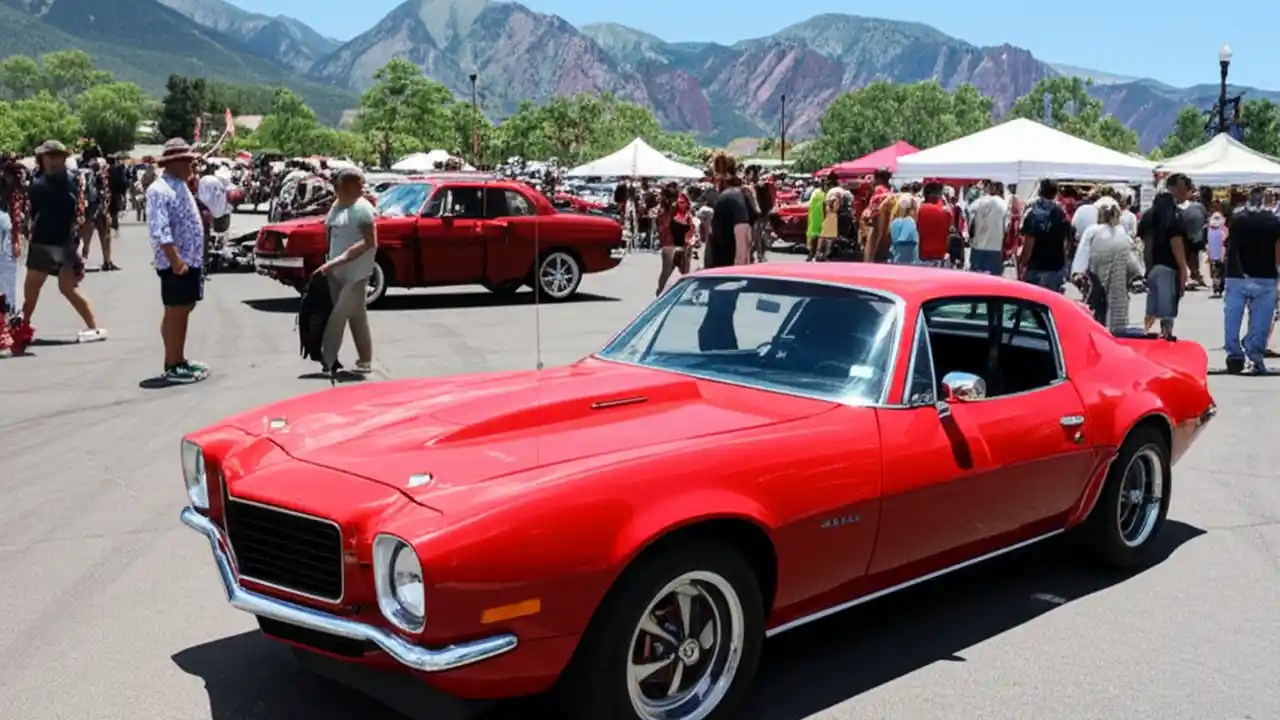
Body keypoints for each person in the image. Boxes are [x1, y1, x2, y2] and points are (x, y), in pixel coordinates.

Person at [21, 140, 106, 346]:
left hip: (60, 243)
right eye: (48, 157)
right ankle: (23, 326)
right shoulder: (45, 182)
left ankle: (93, 327)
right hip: (47, 242)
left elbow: (76, 214)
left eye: (56, 157)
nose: (52, 161)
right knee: (36, 288)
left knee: (62, 287)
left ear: (63, 158)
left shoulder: (65, 183)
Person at [146, 138, 208, 384]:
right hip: (178, 263)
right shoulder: (159, 190)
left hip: (190, 260)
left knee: (182, 309)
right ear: (174, 163)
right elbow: (160, 229)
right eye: (188, 161)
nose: (192, 164)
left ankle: (177, 358)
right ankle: (173, 363)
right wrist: (175, 260)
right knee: (178, 312)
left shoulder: (181, 185)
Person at [316, 167, 376, 375]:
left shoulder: (363, 209)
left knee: (338, 314)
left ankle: (328, 359)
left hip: (356, 274)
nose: (363, 188)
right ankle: (365, 359)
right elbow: (330, 233)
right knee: (357, 316)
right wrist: (329, 260)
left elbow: (369, 242)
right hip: (336, 271)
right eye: (359, 184)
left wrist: (338, 260)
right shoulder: (337, 206)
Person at [1221, 187, 1280, 375]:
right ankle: (1255, 355)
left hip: (1236, 275)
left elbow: (1230, 245)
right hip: (1265, 275)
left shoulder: (1237, 219)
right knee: (1261, 321)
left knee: (1232, 316)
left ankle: (1234, 354)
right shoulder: (1274, 222)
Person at [1137, 173, 1194, 339]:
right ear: (1174, 190)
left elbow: (1145, 243)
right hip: (1168, 266)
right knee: (1167, 310)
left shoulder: (1149, 215)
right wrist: (1183, 269)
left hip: (1153, 267)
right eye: (1183, 189)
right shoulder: (1174, 216)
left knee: (1152, 308)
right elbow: (1176, 242)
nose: (1186, 193)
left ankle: (1145, 333)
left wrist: (1147, 267)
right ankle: (1166, 336)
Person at [1084, 202, 1143, 333]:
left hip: (1096, 276)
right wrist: (1137, 276)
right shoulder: (1122, 235)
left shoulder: (1094, 232)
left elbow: (1085, 253)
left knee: (1097, 307)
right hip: (1118, 278)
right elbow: (1132, 261)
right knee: (1117, 308)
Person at [1019, 179, 1072, 293]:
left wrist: (1021, 264)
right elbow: (1067, 243)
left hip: (1036, 267)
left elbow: (1028, 245)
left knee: (1032, 304)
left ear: (1039, 191)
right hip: (1056, 267)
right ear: (1056, 192)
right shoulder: (1061, 213)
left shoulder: (1033, 213)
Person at [707, 153, 752, 268]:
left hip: (725, 271)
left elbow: (742, 232)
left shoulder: (731, 196)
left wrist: (738, 269)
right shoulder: (738, 195)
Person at [968, 180, 1008, 275]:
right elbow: (1006, 229)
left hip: (977, 248)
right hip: (995, 249)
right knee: (992, 283)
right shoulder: (1003, 204)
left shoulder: (978, 202)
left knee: (975, 281)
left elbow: (970, 225)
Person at [657, 193, 693, 295]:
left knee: (685, 273)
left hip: (683, 245)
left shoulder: (687, 215)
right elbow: (662, 227)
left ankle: (682, 293)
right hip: (671, 246)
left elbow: (691, 230)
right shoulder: (667, 213)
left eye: (683, 202)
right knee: (666, 273)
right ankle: (660, 293)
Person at [197, 163, 231, 263]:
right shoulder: (213, 181)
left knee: (205, 234)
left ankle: (203, 258)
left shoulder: (206, 181)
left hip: (204, 211)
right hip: (205, 212)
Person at [916, 182, 951, 268]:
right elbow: (951, 226)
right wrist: (945, 201)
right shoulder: (945, 211)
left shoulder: (919, 210)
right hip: (939, 255)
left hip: (922, 255)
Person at [815, 173, 842, 262]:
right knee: (829, 237)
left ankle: (820, 254)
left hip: (829, 214)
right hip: (833, 215)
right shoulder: (839, 190)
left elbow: (830, 202)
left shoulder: (832, 191)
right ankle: (826, 254)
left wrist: (830, 209)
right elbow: (836, 203)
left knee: (823, 236)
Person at [888, 195, 920, 264]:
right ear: (909, 209)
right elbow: (904, 241)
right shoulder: (909, 222)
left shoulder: (894, 222)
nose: (916, 212)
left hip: (896, 260)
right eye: (914, 209)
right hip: (908, 262)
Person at [1207, 205, 1227, 298]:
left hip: (1214, 253)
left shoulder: (1210, 230)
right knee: (1220, 271)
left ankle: (1217, 287)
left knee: (1215, 271)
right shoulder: (1223, 229)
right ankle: (1219, 287)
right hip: (1220, 253)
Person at [805, 180, 826, 262]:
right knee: (818, 236)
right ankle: (815, 254)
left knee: (815, 236)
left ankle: (813, 254)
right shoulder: (823, 194)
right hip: (818, 216)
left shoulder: (816, 192)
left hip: (814, 216)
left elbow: (810, 204)